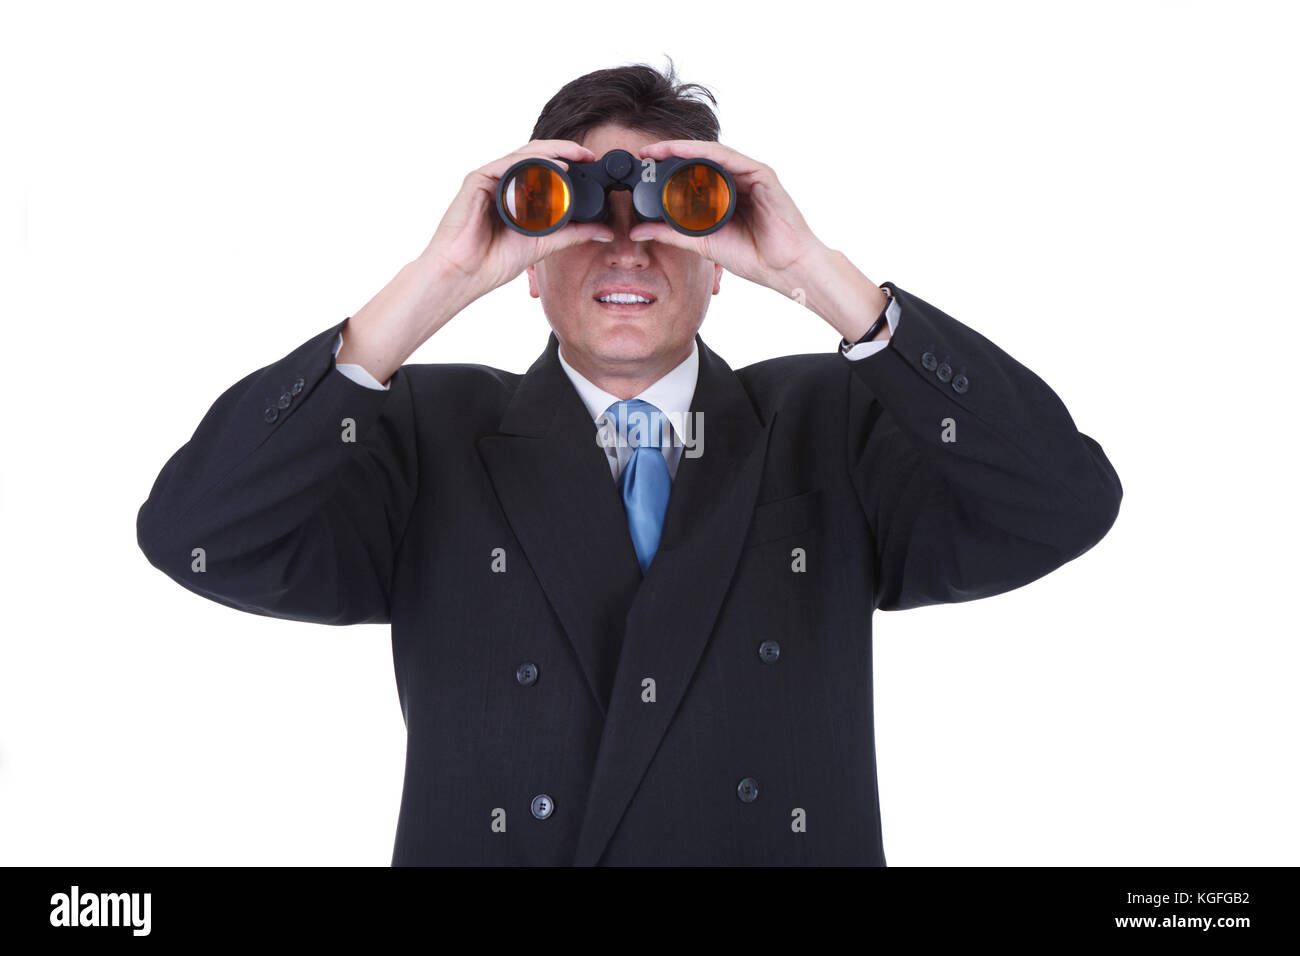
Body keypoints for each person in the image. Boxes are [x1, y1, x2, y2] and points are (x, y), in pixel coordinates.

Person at [136, 60, 1122, 866]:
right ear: (529, 256)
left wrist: (817, 274)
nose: (625, 245)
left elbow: (1060, 501)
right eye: (577, 215)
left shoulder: (834, 423)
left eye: (674, 208)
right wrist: (432, 284)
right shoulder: (424, 433)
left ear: (716, 259)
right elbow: (200, 535)